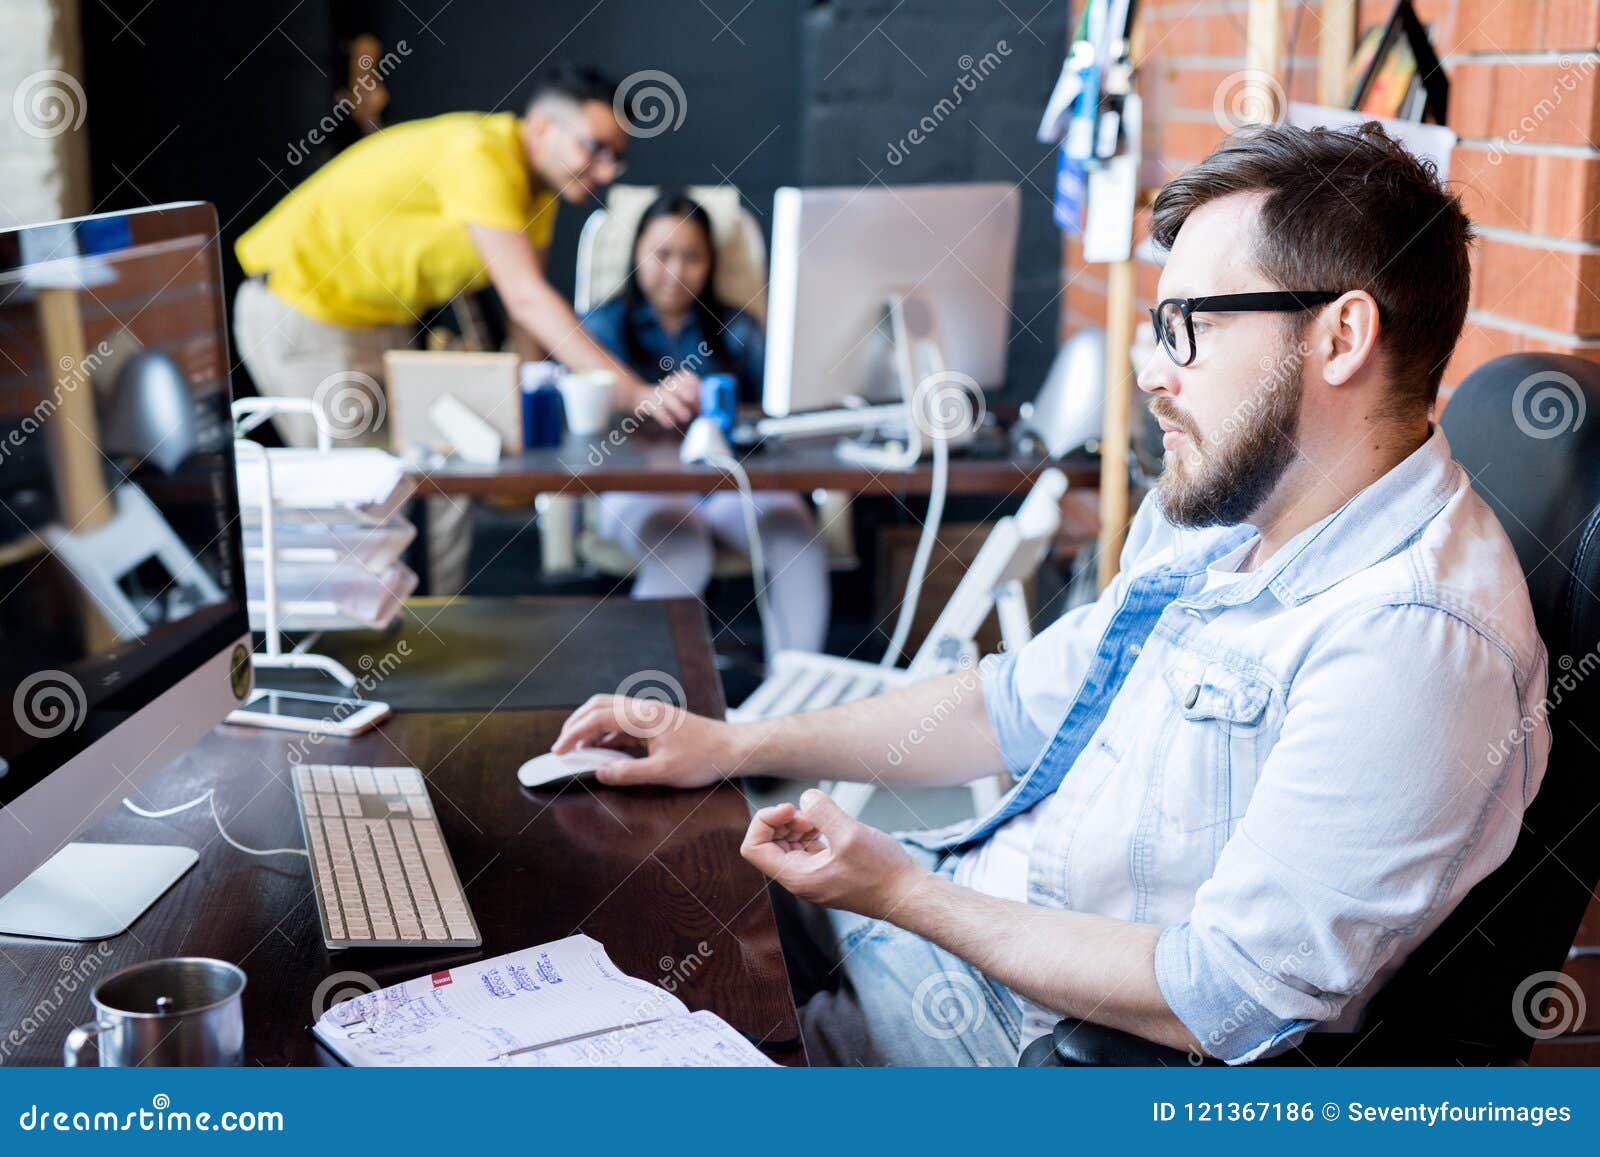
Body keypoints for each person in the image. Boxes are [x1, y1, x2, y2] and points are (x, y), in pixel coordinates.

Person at [552, 122, 1551, 1066]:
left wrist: (898, 889)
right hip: (933, 932)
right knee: (600, 893)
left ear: (1340, 338)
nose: (1154, 372)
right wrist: (733, 745)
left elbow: (1229, 991)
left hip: (1001, 1039)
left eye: (1186, 325)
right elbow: (1015, 700)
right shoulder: (1229, 515)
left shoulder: (1411, 643)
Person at [232, 64, 674, 594]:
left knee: (446, 474)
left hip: (380, 322)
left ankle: (432, 629)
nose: (604, 171)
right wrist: (636, 394)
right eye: (595, 148)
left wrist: (527, 409)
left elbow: (523, 314)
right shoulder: (482, 154)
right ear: (541, 128)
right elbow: (528, 299)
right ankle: (353, 655)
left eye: (616, 159)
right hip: (302, 308)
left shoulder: (542, 194)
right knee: (352, 499)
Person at [582, 193, 829, 658]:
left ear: (711, 262)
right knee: (682, 548)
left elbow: (781, 411)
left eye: (692, 256)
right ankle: (640, 706)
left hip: (728, 484)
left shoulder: (739, 330)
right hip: (634, 486)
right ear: (636, 254)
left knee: (795, 534)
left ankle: (794, 698)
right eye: (661, 255)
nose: (675, 270)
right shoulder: (599, 329)